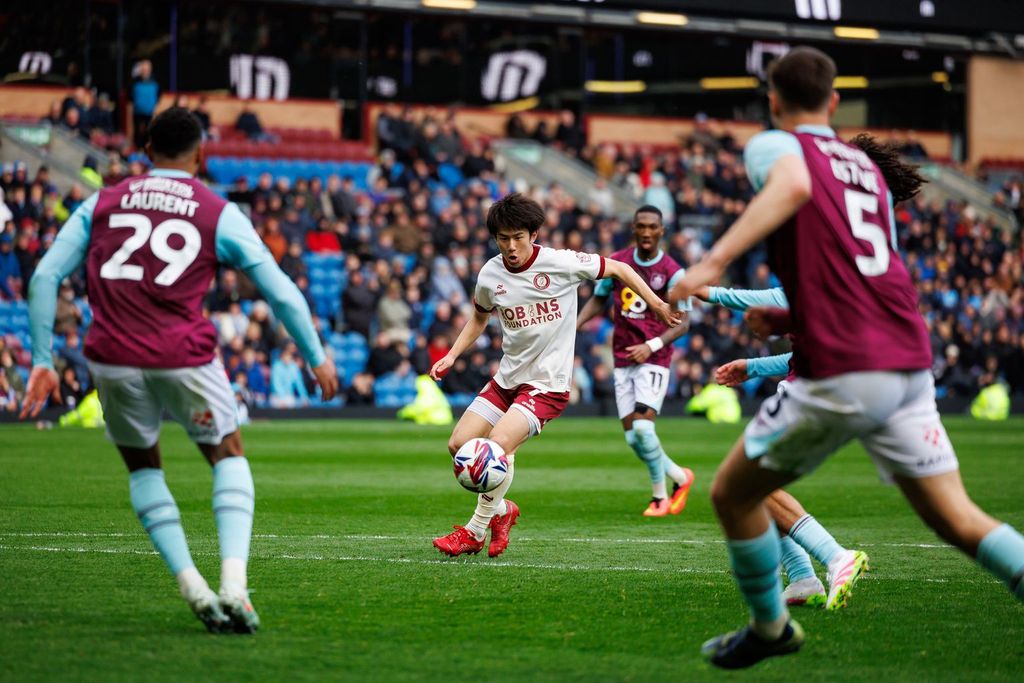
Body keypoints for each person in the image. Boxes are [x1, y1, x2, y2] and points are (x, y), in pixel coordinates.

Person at [667, 46, 1024, 669]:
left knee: (732, 494)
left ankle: (770, 627)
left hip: (848, 368)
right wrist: (789, 318)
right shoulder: (864, 169)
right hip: (906, 359)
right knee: (958, 518)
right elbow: (866, 275)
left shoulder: (777, 147)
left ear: (773, 101)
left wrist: (711, 264)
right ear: (833, 102)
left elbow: (792, 184)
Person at [20, 107, 338, 634]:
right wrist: (316, 356)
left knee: (144, 468)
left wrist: (41, 360)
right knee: (227, 454)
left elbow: (43, 277)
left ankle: (192, 585)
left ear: (147, 151)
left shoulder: (101, 202)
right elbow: (280, 291)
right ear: (200, 155)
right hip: (181, 353)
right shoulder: (216, 210)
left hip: (110, 355)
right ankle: (234, 587)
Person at [430, 193, 682, 558]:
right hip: (508, 379)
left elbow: (620, 269)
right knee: (459, 446)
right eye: (503, 239)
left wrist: (657, 304)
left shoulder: (561, 262)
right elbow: (479, 318)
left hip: (547, 385)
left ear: (533, 234)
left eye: (518, 237)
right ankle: (502, 510)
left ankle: (474, 531)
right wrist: (452, 355)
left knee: (497, 448)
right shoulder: (490, 275)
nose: (511, 247)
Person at [696, 284, 867, 608]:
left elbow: (742, 299)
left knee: (745, 484)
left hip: (804, 395)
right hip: (833, 390)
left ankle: (835, 556)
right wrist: (753, 367)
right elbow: (801, 355)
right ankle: (803, 578)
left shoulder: (806, 281)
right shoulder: (844, 289)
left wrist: (694, 287)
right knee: (752, 490)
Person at [576, 205, 695, 517]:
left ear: (661, 231)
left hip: (654, 357)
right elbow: (599, 298)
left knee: (643, 430)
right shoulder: (617, 262)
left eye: (652, 227)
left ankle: (659, 498)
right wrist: (574, 325)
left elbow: (683, 323)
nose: (646, 232)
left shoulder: (673, 272)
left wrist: (650, 345)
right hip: (623, 355)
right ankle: (681, 477)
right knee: (633, 438)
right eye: (641, 226)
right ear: (633, 228)